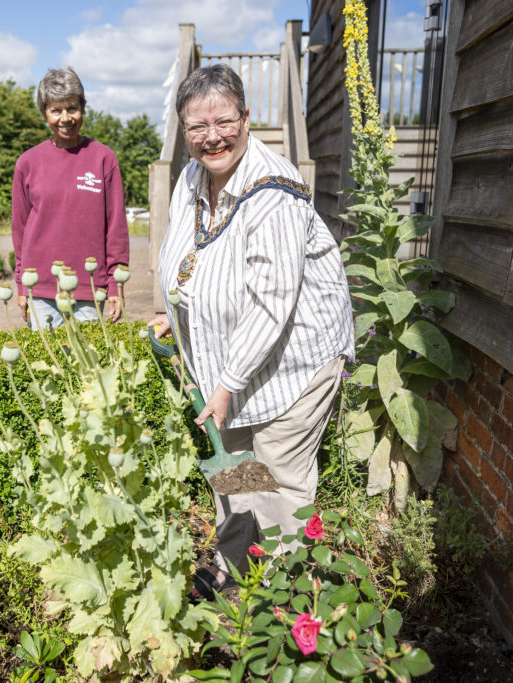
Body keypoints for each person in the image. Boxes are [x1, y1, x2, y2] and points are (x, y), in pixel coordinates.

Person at [150, 64, 354, 600]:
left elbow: (271, 305)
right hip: (232, 369)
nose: (212, 136)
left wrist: (224, 384)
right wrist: (174, 310)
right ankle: (233, 568)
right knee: (237, 469)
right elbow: (187, 253)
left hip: (291, 364)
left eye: (223, 121)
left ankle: (292, 600)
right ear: (183, 130)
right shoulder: (194, 175)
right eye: (197, 126)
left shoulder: (274, 193)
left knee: (279, 478)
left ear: (245, 118)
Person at [12, 67, 129, 329]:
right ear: (45, 113)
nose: (66, 118)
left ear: (83, 108)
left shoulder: (103, 158)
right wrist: (22, 284)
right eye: (56, 110)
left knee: (90, 368)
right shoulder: (27, 163)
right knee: (47, 368)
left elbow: (116, 228)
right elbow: (19, 232)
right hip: (40, 291)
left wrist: (115, 286)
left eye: (72, 108)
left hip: (90, 290)